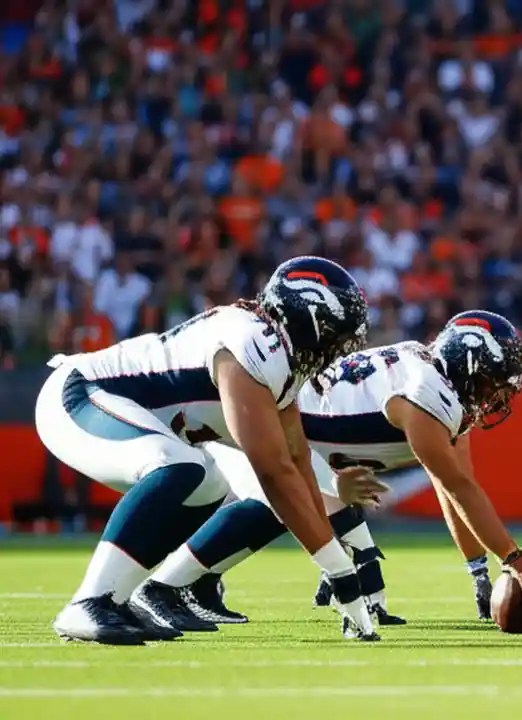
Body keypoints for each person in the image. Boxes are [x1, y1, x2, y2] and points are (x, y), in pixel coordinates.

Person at [35, 256, 376, 644]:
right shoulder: (252, 343)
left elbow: (296, 465)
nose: (339, 345)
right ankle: (88, 601)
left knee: (208, 484)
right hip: (80, 396)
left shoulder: (280, 360)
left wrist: (340, 567)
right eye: (335, 330)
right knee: (184, 466)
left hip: (121, 413)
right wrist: (340, 573)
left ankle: (116, 598)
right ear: (307, 319)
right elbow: (274, 474)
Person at [142, 310, 522, 629]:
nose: (495, 397)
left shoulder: (438, 388)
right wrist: (512, 555)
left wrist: (479, 570)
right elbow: (458, 485)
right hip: (265, 412)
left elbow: (452, 485)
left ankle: (197, 584)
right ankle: (161, 589)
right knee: (279, 502)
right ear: (466, 367)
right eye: (490, 384)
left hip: (300, 434)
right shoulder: (427, 392)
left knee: (294, 502)